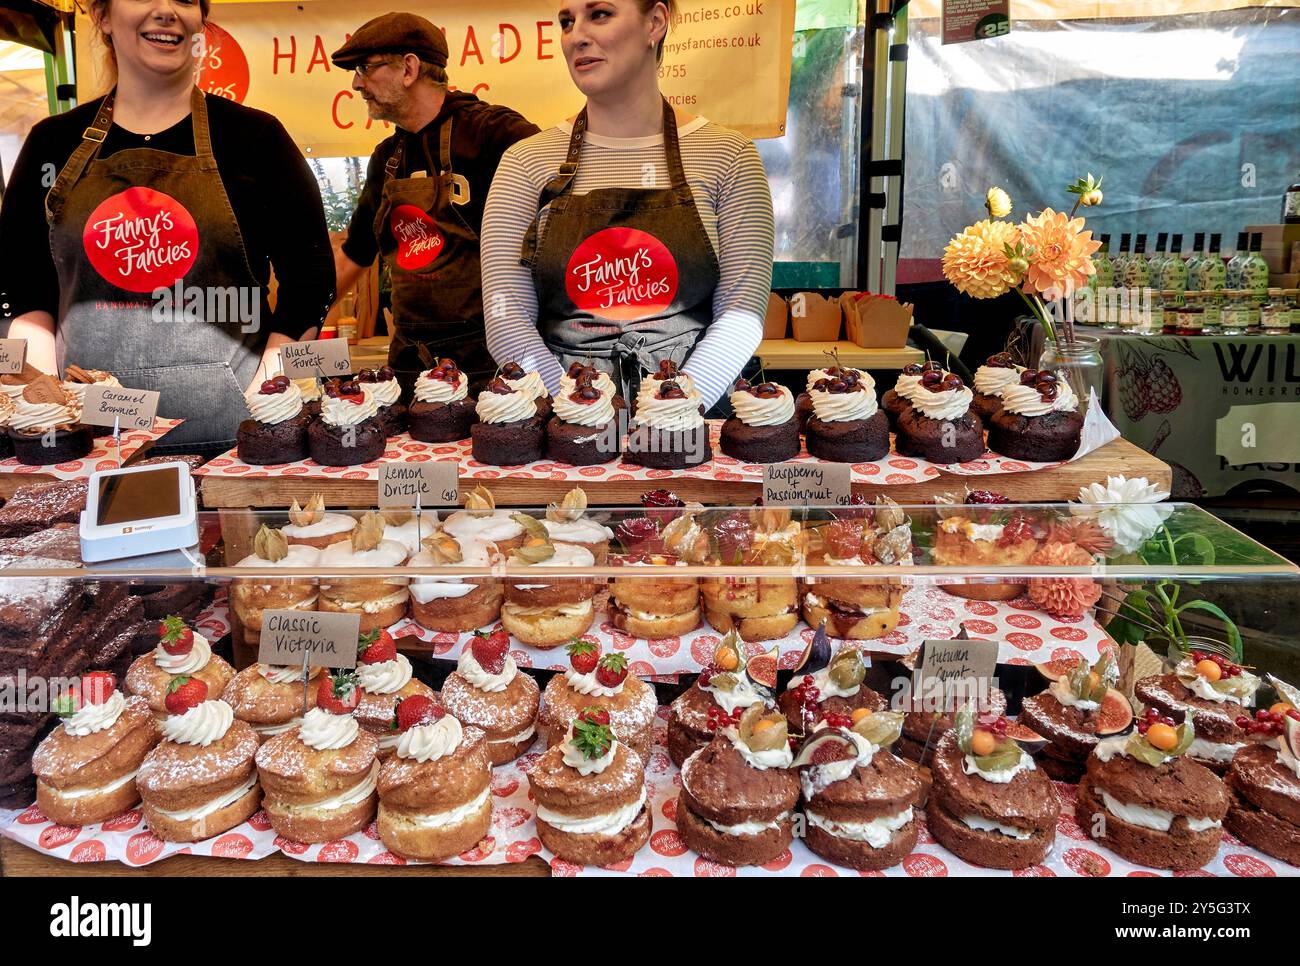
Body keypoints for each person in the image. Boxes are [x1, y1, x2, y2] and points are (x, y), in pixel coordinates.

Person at [0, 0, 335, 457]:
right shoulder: (52, 144)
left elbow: (310, 280)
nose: (165, 11)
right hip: (93, 444)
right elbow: (27, 289)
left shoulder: (254, 138)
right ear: (101, 16)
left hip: (236, 444)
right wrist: (43, 407)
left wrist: (267, 397)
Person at [480, 0, 775, 412]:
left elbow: (741, 315)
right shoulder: (526, 163)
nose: (576, 36)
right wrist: (577, 408)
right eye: (567, 21)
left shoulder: (727, 156)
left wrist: (674, 409)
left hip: (696, 408)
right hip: (563, 414)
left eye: (599, 14)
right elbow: (505, 320)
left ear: (655, 22)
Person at [332, 13, 540, 398]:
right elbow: (355, 255)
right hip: (410, 361)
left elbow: (555, 236)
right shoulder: (387, 157)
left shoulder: (495, 134)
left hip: (488, 363)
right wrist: (295, 330)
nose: (356, 83)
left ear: (409, 68)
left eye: (365, 68)